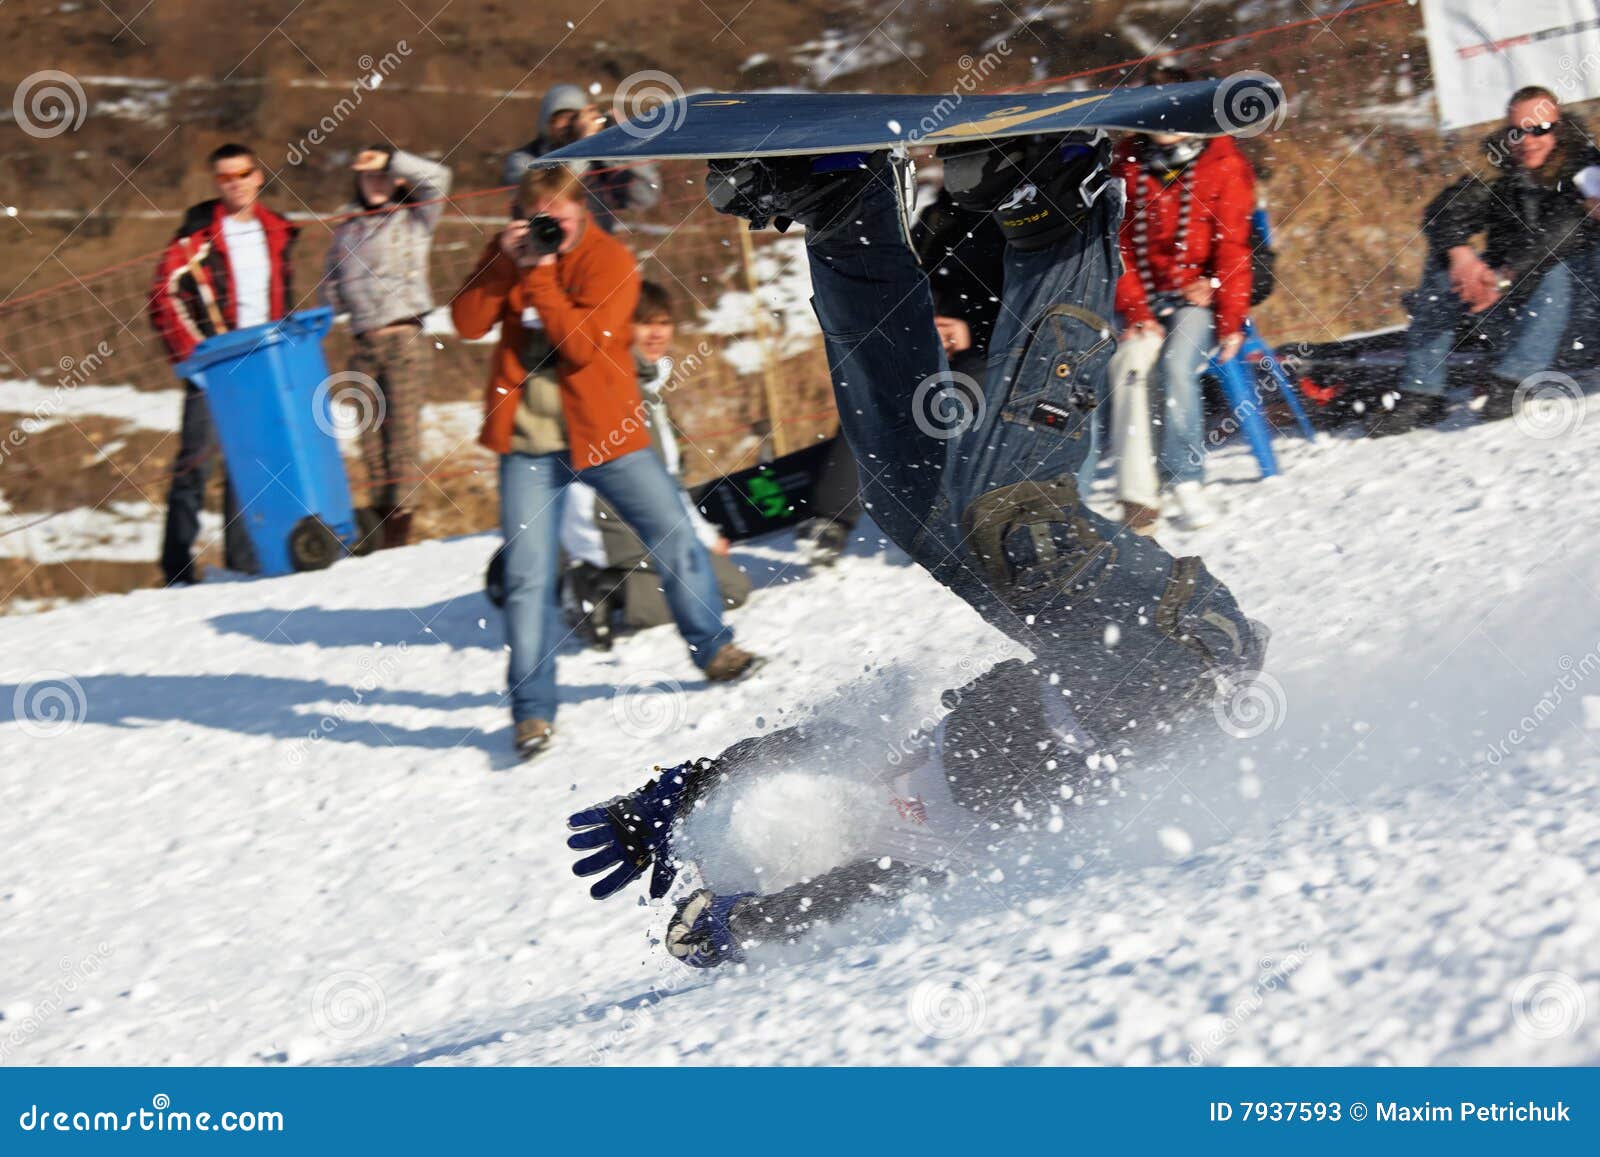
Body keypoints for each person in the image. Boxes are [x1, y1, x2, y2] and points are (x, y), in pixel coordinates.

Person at [563, 136, 1268, 967]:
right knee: (1009, 525)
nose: (856, 786)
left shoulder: (885, 773)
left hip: (1108, 645)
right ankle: (1065, 227)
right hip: (1183, 656)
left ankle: (846, 212)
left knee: (908, 505)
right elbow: (852, 895)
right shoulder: (944, 854)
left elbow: (807, 758)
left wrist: (686, 790)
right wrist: (746, 926)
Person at [451, 166, 760, 763]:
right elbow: (467, 323)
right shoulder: (510, 254)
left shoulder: (610, 259)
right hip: (529, 439)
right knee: (528, 577)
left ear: (581, 213)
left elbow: (583, 346)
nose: (551, 233)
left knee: (672, 535)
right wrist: (501, 261)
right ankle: (533, 711)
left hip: (606, 432)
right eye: (540, 222)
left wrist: (539, 277)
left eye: (560, 221)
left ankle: (714, 648)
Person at [1377, 86, 1600, 436]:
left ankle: (1513, 381)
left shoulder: (1585, 171)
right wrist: (1461, 256)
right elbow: (1443, 212)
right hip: (1510, 314)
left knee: (1557, 266)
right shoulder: (1501, 173)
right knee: (1442, 263)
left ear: (1560, 129)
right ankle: (1422, 392)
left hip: (1578, 328)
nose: (1529, 140)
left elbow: (1563, 233)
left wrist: (1504, 277)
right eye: (1518, 131)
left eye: (1540, 130)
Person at [560, 282, 751, 645]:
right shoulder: (610, 383)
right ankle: (601, 587)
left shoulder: (645, 387)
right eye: (644, 323)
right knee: (726, 588)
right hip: (612, 522)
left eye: (664, 322)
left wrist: (703, 535)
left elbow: (667, 478)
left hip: (638, 516)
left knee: (725, 582)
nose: (657, 332)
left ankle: (607, 584)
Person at [149, 142, 297, 586]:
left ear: (258, 176)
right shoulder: (196, 235)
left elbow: (282, 299)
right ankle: (177, 571)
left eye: (242, 174)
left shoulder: (277, 231)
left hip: (262, 366)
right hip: (214, 365)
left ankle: (244, 566)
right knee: (194, 465)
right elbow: (164, 297)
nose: (234, 184)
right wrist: (195, 356)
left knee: (250, 468)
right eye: (224, 178)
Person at [1107, 126, 1256, 532]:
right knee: (1132, 364)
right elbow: (1118, 248)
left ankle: (1184, 478)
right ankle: (1139, 496)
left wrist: (1224, 307)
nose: (1167, 129)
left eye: (1178, 120)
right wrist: (1137, 309)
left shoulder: (1223, 164)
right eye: (1157, 120)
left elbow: (1233, 247)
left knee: (1174, 366)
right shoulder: (1126, 166)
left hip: (1198, 299)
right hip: (1142, 298)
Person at [322, 145, 452, 549]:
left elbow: (439, 179)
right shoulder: (347, 227)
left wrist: (392, 159)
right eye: (368, 176)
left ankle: (398, 532)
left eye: (383, 176)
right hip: (363, 344)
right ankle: (377, 528)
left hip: (404, 339)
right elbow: (330, 285)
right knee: (371, 442)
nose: (375, 184)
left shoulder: (416, 219)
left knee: (402, 441)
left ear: (397, 179)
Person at [501, 84, 661, 232]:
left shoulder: (598, 160)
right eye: (562, 118)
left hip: (594, 250)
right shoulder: (524, 159)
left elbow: (645, 197)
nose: (571, 125)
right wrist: (584, 144)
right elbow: (553, 197)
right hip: (543, 245)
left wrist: (625, 142)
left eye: (576, 118)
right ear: (546, 122)